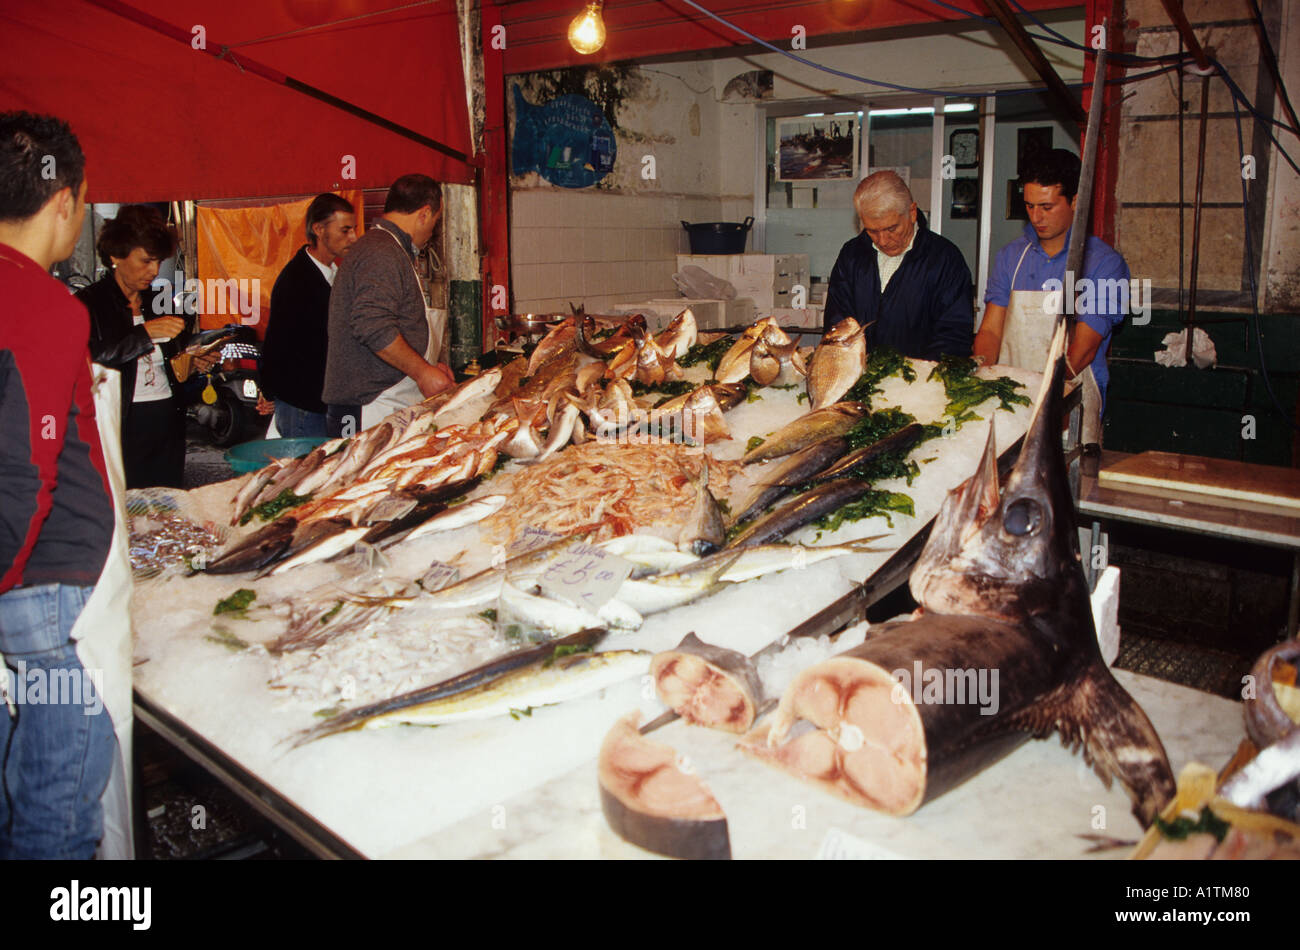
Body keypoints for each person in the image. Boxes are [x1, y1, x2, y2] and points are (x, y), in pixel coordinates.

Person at [0, 111, 118, 858]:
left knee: (25, 794)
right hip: (53, 601)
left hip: (27, 594)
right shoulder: (42, 303)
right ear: (65, 201)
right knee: (60, 816)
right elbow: (26, 469)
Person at [973, 148, 1129, 419]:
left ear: (1076, 201)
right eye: (1030, 206)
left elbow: (1083, 350)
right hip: (1011, 401)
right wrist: (984, 376)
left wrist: (1040, 396)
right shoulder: (1010, 257)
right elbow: (991, 331)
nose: (1036, 217)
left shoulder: (1104, 264)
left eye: (1047, 207)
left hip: (1069, 399)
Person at [79, 205, 210, 488]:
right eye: (146, 261)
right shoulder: (88, 303)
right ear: (116, 256)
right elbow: (83, 361)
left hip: (167, 420)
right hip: (122, 422)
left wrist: (193, 361)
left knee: (166, 503)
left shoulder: (156, 300)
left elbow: (174, 361)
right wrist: (143, 335)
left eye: (158, 261)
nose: (153, 270)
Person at [322, 174, 454, 436]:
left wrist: (425, 363)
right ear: (425, 214)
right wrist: (423, 372)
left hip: (384, 402)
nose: (432, 231)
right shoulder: (380, 252)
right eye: (435, 222)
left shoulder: (390, 248)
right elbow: (371, 324)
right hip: (365, 408)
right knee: (363, 478)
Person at [824, 170, 974, 359]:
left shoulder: (945, 259)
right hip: (860, 378)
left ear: (911, 213)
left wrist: (916, 378)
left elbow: (954, 335)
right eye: (872, 231)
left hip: (920, 380)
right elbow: (837, 324)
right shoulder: (852, 255)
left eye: (891, 228)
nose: (883, 240)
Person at [261, 193, 358, 438]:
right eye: (345, 230)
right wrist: (269, 391)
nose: (353, 237)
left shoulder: (335, 273)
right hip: (304, 407)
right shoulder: (296, 280)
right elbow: (276, 344)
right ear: (318, 229)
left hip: (330, 401)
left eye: (353, 229)